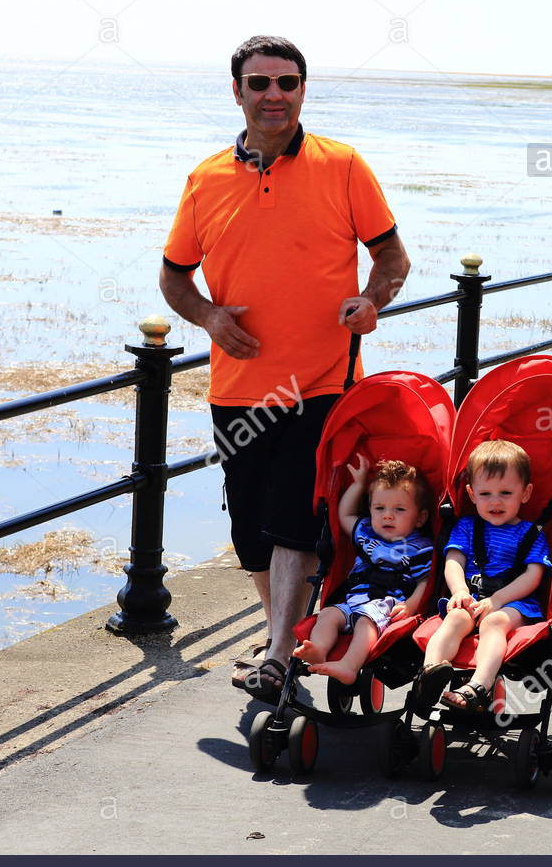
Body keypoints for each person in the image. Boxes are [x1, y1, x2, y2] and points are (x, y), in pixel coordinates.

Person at [159, 36, 412, 698]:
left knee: (296, 519)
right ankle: (285, 634)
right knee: (249, 532)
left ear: (303, 90)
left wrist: (372, 300)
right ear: (237, 91)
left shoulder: (345, 165)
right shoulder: (206, 177)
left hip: (325, 381)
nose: (275, 94)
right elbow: (174, 275)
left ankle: (276, 653)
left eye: (287, 82)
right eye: (260, 82)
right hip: (238, 389)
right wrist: (210, 317)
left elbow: (392, 259)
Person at [413, 440, 552, 714]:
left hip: (515, 602)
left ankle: (479, 685)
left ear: (525, 493)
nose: (495, 501)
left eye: (505, 493)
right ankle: (430, 673)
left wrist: (499, 599)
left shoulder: (531, 534)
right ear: (471, 494)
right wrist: (459, 591)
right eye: (485, 493)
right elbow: (453, 561)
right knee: (454, 618)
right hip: (473, 596)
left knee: (494, 622)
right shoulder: (466, 526)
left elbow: (533, 576)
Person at [292, 456, 433, 685]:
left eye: (399, 509)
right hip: (353, 600)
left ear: (420, 518)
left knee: (365, 622)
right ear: (370, 510)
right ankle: (318, 649)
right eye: (379, 508)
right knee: (328, 614)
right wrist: (357, 485)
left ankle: (349, 665)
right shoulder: (366, 531)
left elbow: (425, 581)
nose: (387, 515)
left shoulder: (419, 547)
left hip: (386, 606)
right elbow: (345, 516)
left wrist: (411, 605)